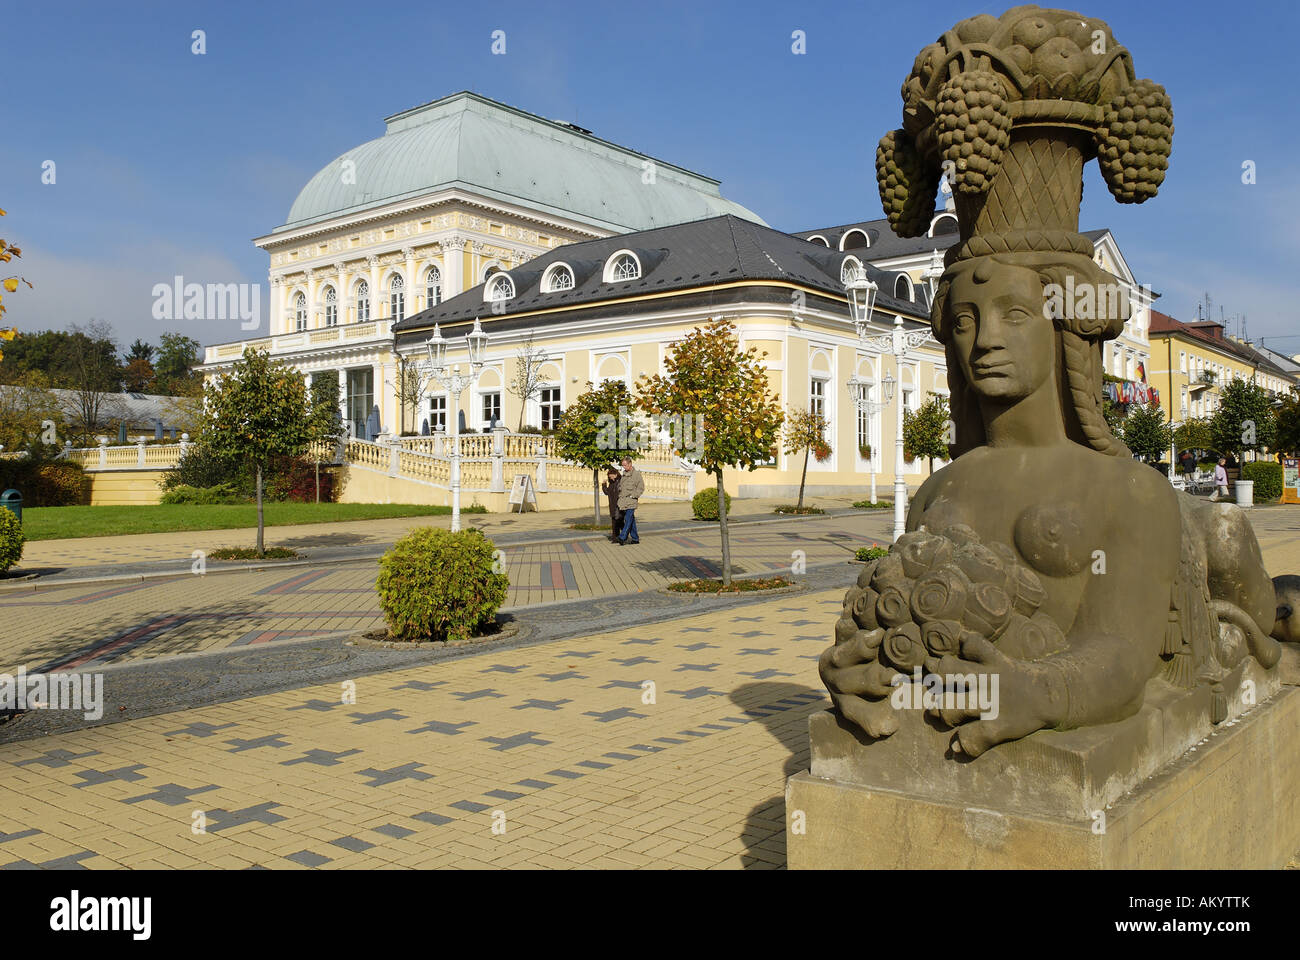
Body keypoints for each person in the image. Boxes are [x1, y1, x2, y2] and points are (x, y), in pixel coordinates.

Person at [616, 456, 643, 545]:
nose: (624, 467)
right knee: (631, 520)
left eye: (625, 465)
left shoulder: (636, 474)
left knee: (628, 519)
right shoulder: (624, 475)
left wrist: (633, 496)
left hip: (631, 501)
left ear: (630, 464)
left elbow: (641, 488)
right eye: (623, 465)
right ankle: (635, 538)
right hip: (623, 501)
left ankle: (622, 537)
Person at [600, 466, 622, 542]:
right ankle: (615, 538)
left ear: (616, 474)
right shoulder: (611, 483)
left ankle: (621, 537)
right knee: (614, 522)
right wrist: (604, 485)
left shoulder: (620, 482)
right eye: (610, 474)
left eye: (613, 474)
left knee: (619, 522)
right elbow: (607, 492)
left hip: (619, 506)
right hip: (612, 506)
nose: (611, 476)